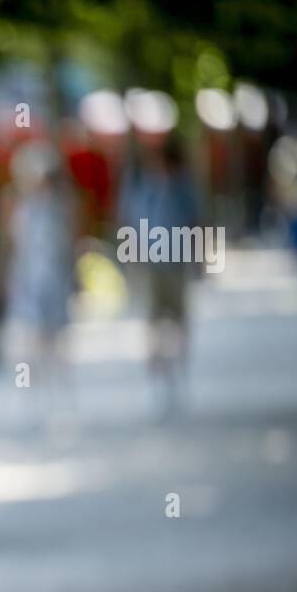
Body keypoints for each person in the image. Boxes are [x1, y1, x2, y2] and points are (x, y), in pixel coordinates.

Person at [0, 139, 81, 424]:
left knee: (56, 340)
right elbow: (5, 244)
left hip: (54, 279)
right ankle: (27, 400)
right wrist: (1, 276)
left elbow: (72, 243)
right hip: (26, 280)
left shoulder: (62, 203)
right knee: (27, 342)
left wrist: (76, 276)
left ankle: (60, 398)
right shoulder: (13, 202)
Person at [116, 136, 203, 418]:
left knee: (178, 322)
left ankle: (179, 376)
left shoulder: (183, 186)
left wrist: (200, 258)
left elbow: (196, 221)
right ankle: (157, 381)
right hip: (151, 263)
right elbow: (128, 222)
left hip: (176, 262)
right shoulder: (140, 185)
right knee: (154, 325)